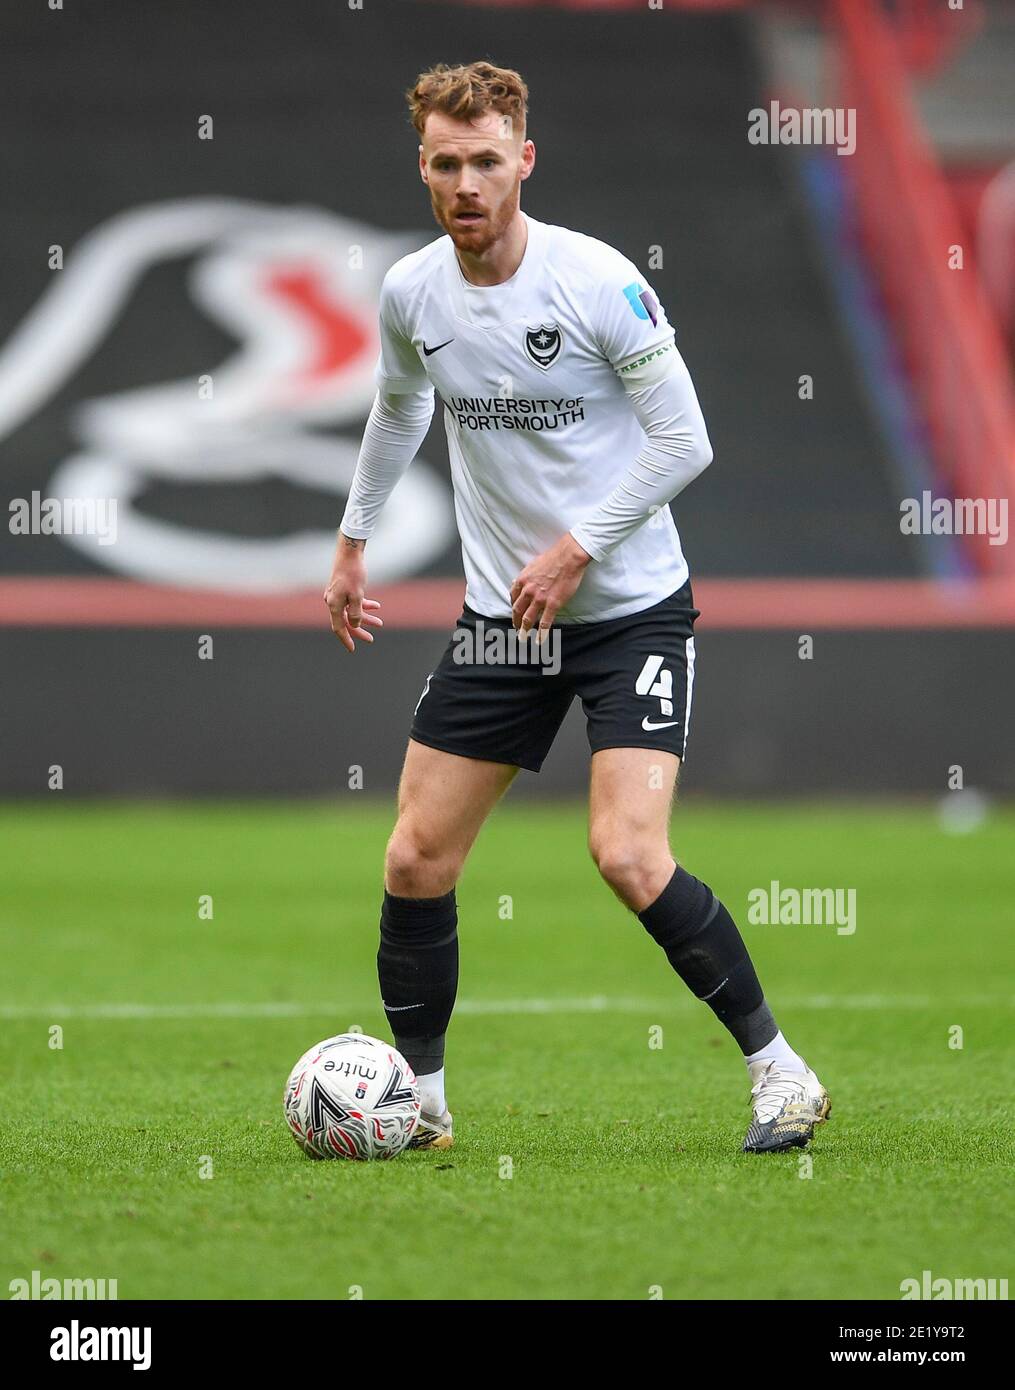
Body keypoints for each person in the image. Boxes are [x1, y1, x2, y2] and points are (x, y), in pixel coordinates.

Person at [324, 60, 830, 1155]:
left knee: (627, 853)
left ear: (524, 161)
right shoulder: (412, 291)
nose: (467, 184)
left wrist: (575, 549)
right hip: (503, 622)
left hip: (628, 611)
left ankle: (781, 1074)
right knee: (415, 859)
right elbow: (400, 409)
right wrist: (355, 540)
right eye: (446, 164)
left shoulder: (597, 280)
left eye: (486, 162)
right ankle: (421, 1104)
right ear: (423, 167)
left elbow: (685, 441)